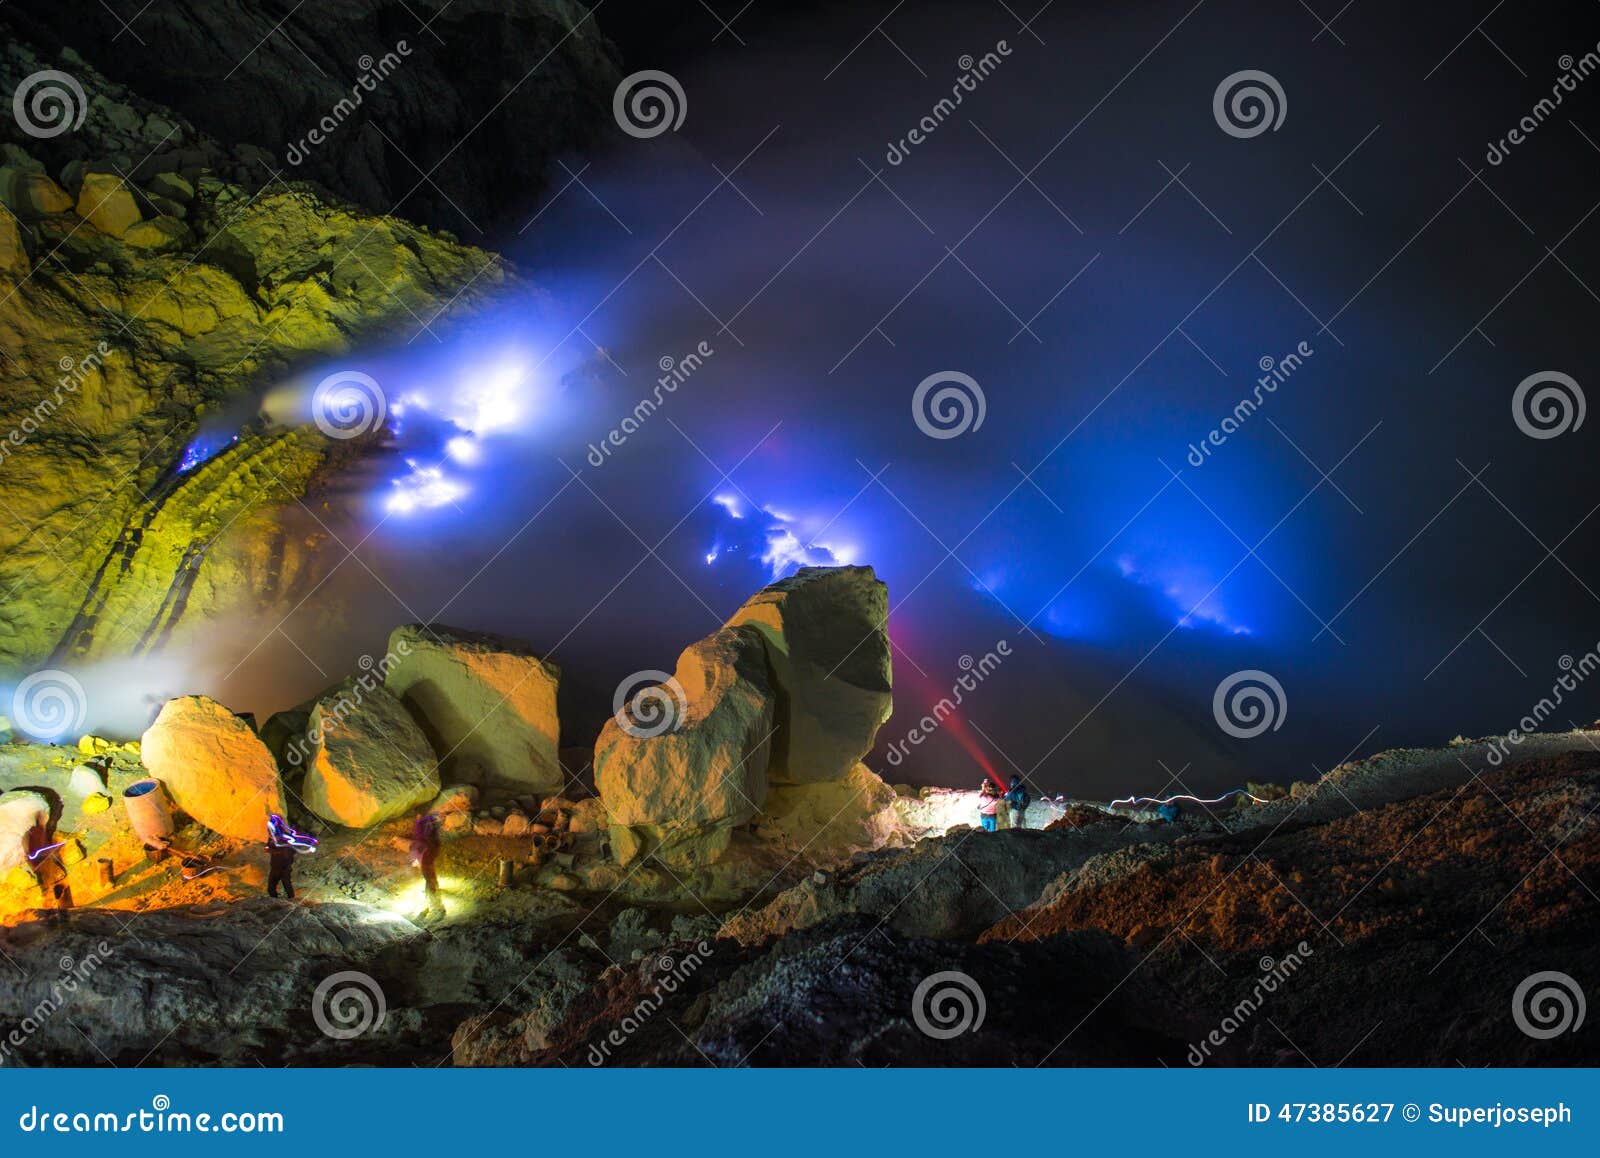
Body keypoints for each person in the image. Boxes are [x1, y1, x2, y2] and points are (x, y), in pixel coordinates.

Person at [265, 813, 313, 899]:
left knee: (286, 885)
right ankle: (276, 903)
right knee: (272, 887)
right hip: (275, 865)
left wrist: (274, 851)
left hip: (284, 866)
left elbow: (289, 851)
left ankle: (290, 902)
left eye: (273, 821)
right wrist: (270, 849)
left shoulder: (285, 836)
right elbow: (270, 846)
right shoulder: (273, 836)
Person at [410, 812, 443, 918]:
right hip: (427, 853)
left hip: (426, 854)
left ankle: (435, 906)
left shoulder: (421, 828)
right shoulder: (425, 829)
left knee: (430, 879)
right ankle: (434, 905)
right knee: (431, 879)